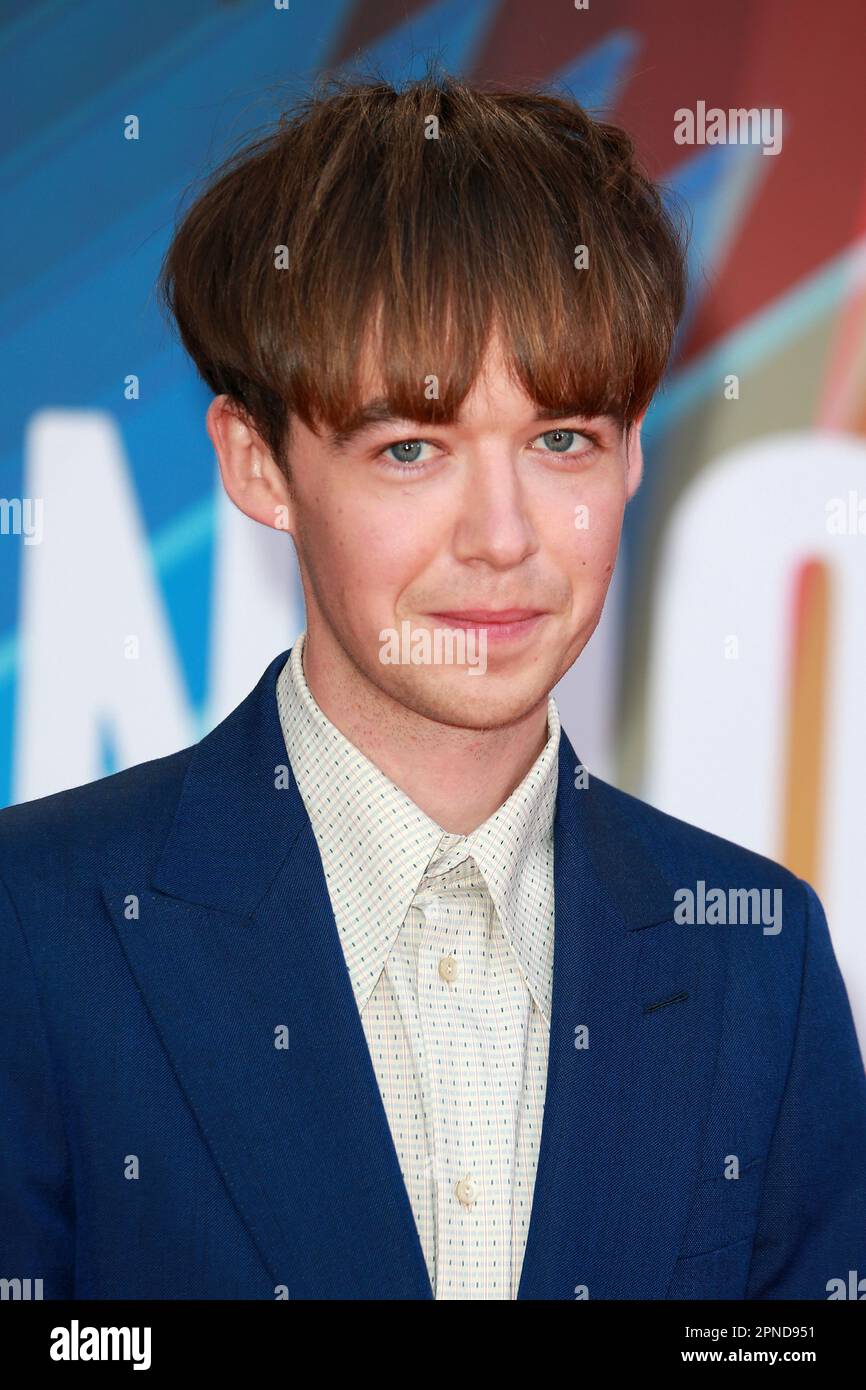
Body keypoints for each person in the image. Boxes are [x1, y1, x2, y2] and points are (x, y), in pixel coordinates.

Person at [1, 69, 864, 1302]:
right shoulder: (33, 928)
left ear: (626, 454)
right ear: (258, 464)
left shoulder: (755, 956)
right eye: (412, 448)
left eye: (561, 437)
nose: (502, 537)